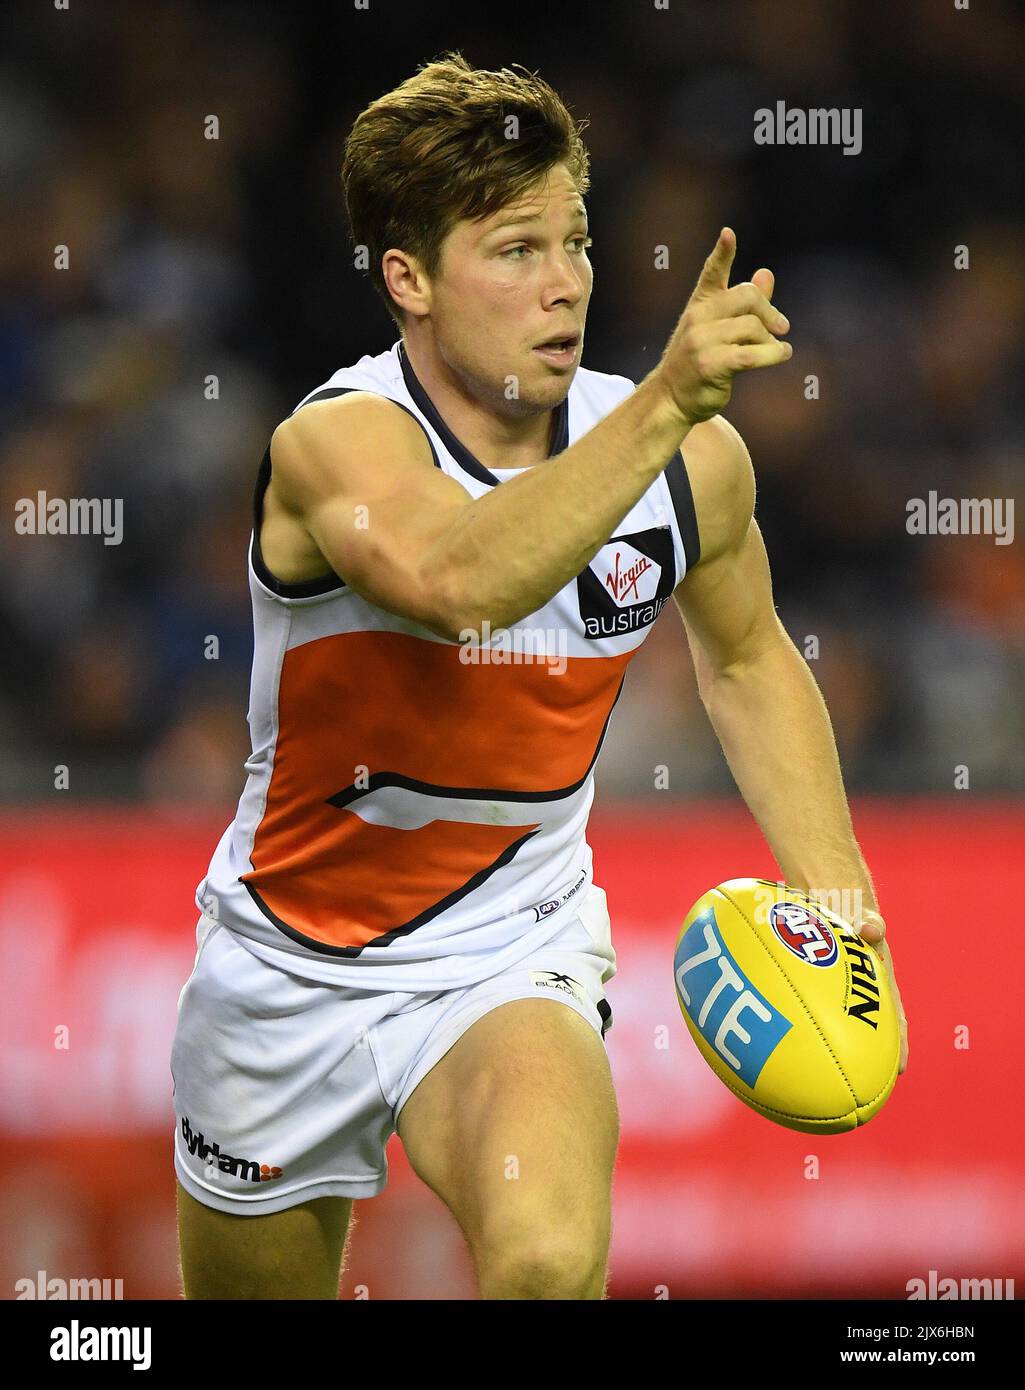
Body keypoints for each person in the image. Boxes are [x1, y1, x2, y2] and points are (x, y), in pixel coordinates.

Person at [171, 52, 908, 1301]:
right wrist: (666, 405)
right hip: (283, 965)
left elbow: (743, 655)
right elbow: (463, 578)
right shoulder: (334, 444)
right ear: (405, 279)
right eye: (513, 251)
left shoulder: (687, 461)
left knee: (547, 1263)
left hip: (507, 947)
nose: (562, 283)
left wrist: (837, 894)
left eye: (572, 239)